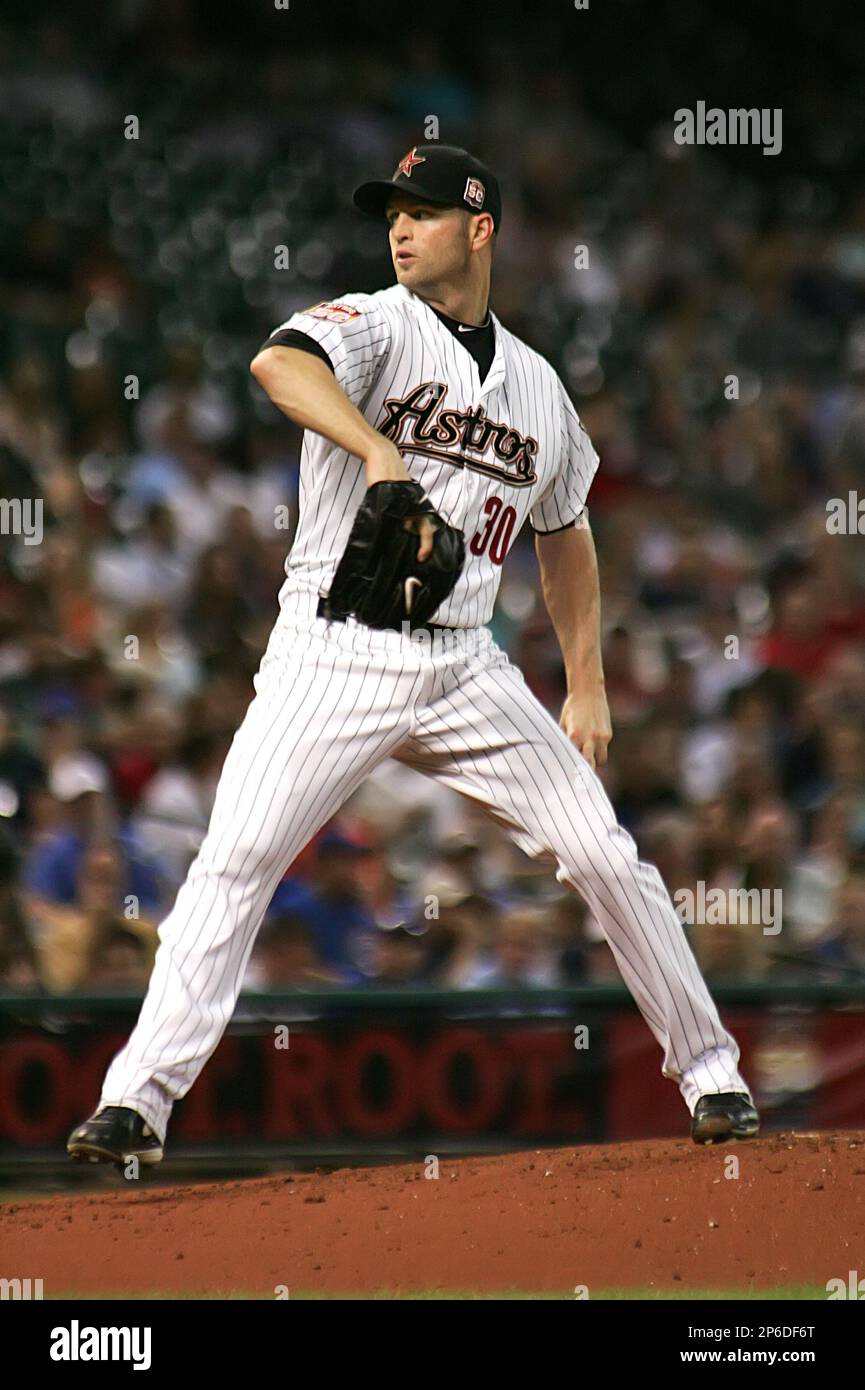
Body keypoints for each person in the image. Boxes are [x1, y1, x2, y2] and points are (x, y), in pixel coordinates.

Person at [68, 144, 758, 1168]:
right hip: (332, 651)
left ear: (479, 230)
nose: (399, 227)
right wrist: (378, 449)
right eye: (393, 211)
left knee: (607, 853)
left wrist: (587, 684)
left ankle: (711, 1075)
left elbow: (564, 534)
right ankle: (138, 1099)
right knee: (238, 859)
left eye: (424, 212)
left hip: (465, 663)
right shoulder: (377, 324)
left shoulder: (538, 390)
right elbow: (277, 363)